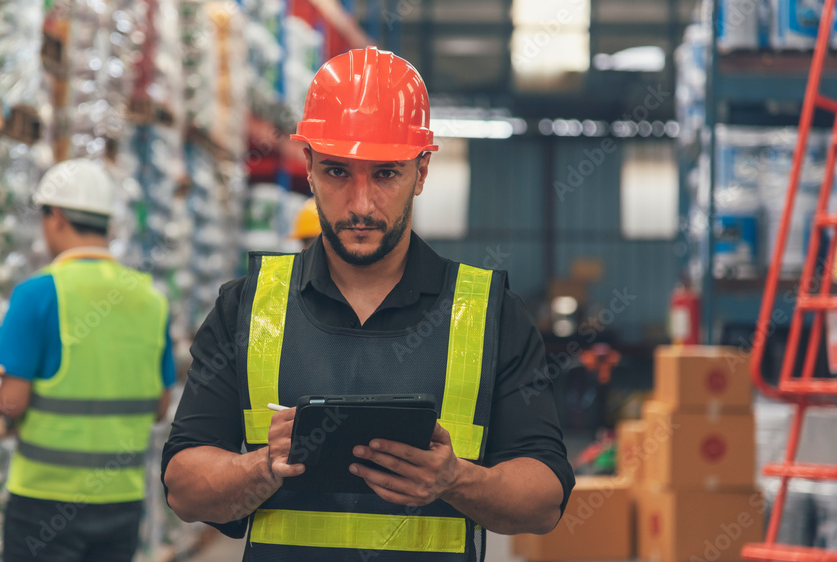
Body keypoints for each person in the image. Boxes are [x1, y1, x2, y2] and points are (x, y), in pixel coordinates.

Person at [162, 46, 573, 560]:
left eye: (385, 174)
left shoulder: (488, 312)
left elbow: (545, 502)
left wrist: (453, 479)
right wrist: (264, 466)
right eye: (337, 172)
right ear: (308, 166)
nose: (360, 204)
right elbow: (182, 487)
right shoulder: (246, 306)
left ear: (421, 172)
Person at [0, 158, 176, 562]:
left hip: (45, 501)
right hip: (121, 500)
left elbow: (12, 402)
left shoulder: (37, 294)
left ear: (55, 218)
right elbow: (160, 407)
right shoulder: (151, 299)